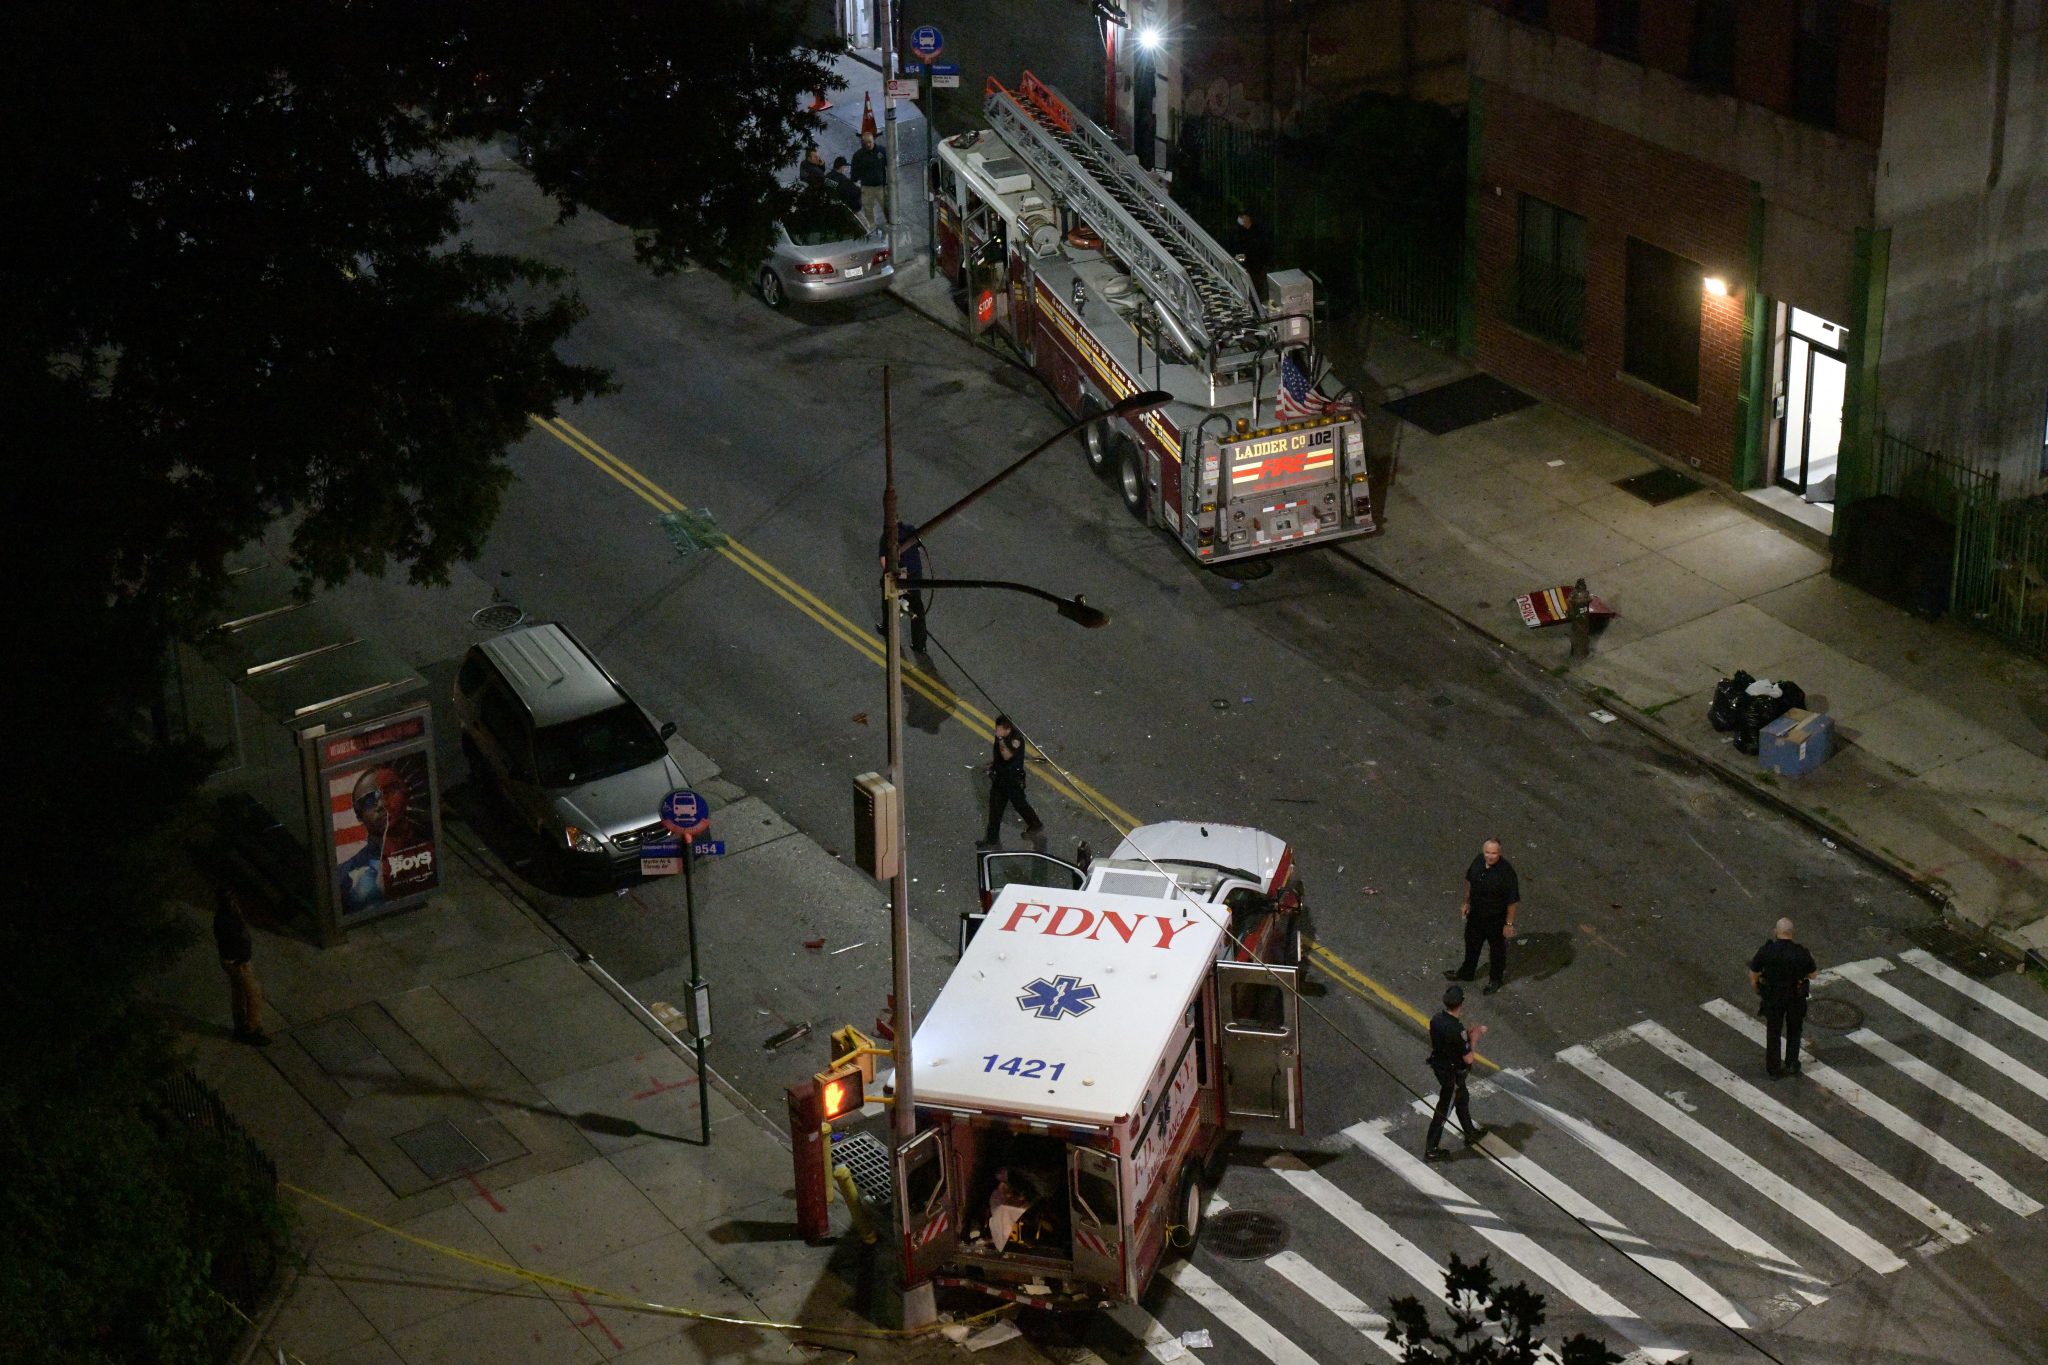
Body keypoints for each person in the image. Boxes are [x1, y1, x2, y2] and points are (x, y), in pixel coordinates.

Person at [1448, 838, 1519, 995]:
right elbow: (1469, 881)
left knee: (1497, 951)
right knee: (1471, 943)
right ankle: (1467, 972)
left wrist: (1508, 924)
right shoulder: (1478, 861)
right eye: (1487, 852)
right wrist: (1466, 902)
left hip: (1495, 919)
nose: (1490, 856)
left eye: (1494, 853)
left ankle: (1495, 979)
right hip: (1476, 915)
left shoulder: (1506, 873)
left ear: (1499, 853)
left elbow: (1512, 901)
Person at [1424, 984, 1486, 1161]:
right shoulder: (1457, 1029)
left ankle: (1469, 1131)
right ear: (1461, 1003)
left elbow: (1447, 1040)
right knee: (1444, 1109)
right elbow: (1468, 1058)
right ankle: (1431, 1148)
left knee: (1462, 1097)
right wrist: (1473, 1038)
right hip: (1452, 1073)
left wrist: (1466, 1035)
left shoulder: (1436, 1019)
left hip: (1439, 1065)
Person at [1749, 917, 1818, 1077]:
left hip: (1773, 997)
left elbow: (1753, 975)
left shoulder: (1766, 951)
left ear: (1776, 932)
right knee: (1794, 1030)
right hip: (1795, 997)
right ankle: (1792, 1063)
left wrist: (1759, 991)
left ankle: (1773, 1069)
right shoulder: (1801, 953)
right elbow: (1813, 974)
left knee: (1773, 1032)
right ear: (1792, 933)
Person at [214, 884, 270, 1046]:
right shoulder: (223, 920)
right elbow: (229, 942)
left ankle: (240, 1026)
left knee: (239, 993)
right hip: (237, 962)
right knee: (253, 994)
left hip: (239, 960)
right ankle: (252, 1030)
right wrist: (239, 960)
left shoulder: (230, 914)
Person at [977, 716, 1044, 851]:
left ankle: (1035, 824)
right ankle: (991, 840)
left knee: (1020, 805)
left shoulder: (1016, 740)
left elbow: (1007, 756)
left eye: (999, 730)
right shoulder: (1001, 736)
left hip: (1012, 780)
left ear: (1007, 729)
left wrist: (1001, 740)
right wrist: (994, 764)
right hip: (1000, 778)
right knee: (995, 810)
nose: (996, 732)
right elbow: (999, 755)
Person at [877, 521, 929, 653]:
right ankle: (920, 644)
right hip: (915, 572)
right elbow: (917, 548)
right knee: (917, 607)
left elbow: (883, 560)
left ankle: (887, 628)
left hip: (899, 572)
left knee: (889, 601)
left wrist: (888, 577)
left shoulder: (887, 537)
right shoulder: (910, 529)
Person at [850, 129, 888, 225]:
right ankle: (871, 227)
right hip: (867, 187)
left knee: (887, 207)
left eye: (869, 142)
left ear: (873, 141)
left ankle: (891, 224)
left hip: (881, 186)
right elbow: (854, 171)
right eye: (865, 142)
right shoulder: (858, 155)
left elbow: (889, 164)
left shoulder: (882, 151)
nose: (868, 145)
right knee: (868, 210)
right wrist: (854, 181)